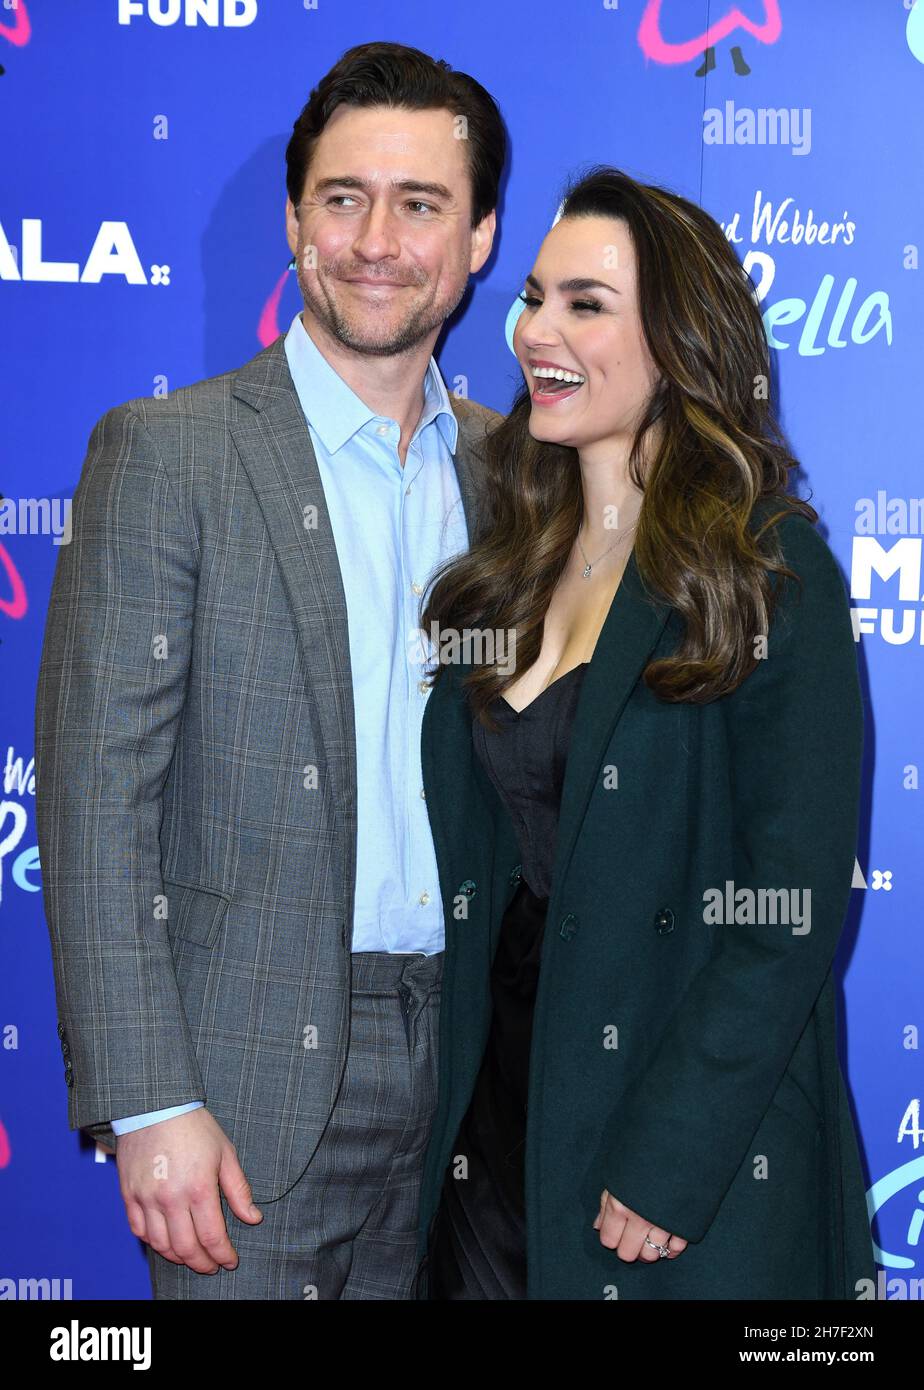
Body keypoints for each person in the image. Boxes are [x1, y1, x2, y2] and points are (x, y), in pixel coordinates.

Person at [33, 41, 506, 1300]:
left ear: (478, 240)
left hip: (475, 1078)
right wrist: (148, 1098)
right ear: (295, 220)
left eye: (421, 205)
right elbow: (93, 801)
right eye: (343, 198)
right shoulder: (168, 454)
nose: (375, 239)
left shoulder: (524, 475)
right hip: (241, 1089)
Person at [414, 166, 875, 1300]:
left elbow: (791, 909)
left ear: (676, 339)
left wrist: (673, 1153)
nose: (535, 332)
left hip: (674, 1143)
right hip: (495, 1119)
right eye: (531, 297)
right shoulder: (507, 564)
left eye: (586, 303)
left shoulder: (765, 569)